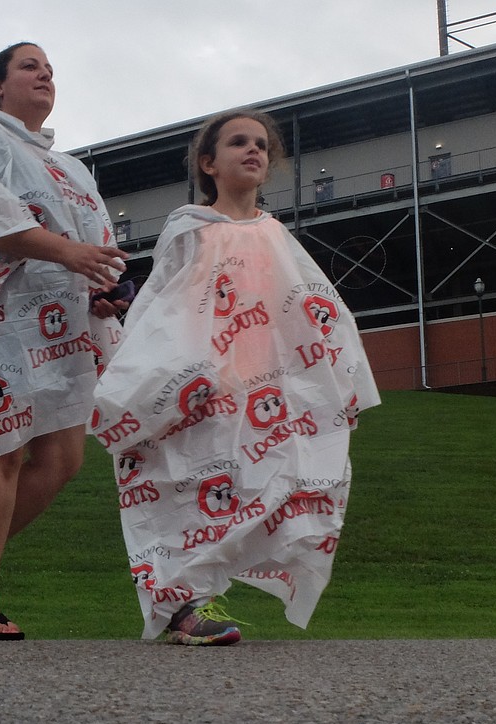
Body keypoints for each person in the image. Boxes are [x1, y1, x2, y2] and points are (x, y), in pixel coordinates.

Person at [91, 110, 381, 645]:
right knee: (188, 487)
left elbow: (308, 308)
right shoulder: (190, 228)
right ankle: (181, 608)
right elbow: (166, 305)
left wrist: (333, 380)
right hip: (201, 388)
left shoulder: (274, 234)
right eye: (238, 143)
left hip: (269, 390)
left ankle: (197, 594)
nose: (254, 151)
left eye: (262, 145)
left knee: (281, 480)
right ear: (209, 163)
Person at [0, 42, 129, 640]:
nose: (45, 76)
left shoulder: (71, 167)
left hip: (61, 324)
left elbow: (95, 243)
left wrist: (101, 291)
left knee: (63, 460)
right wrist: (70, 253)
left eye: (51, 70)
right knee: (0, 452)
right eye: (30, 67)